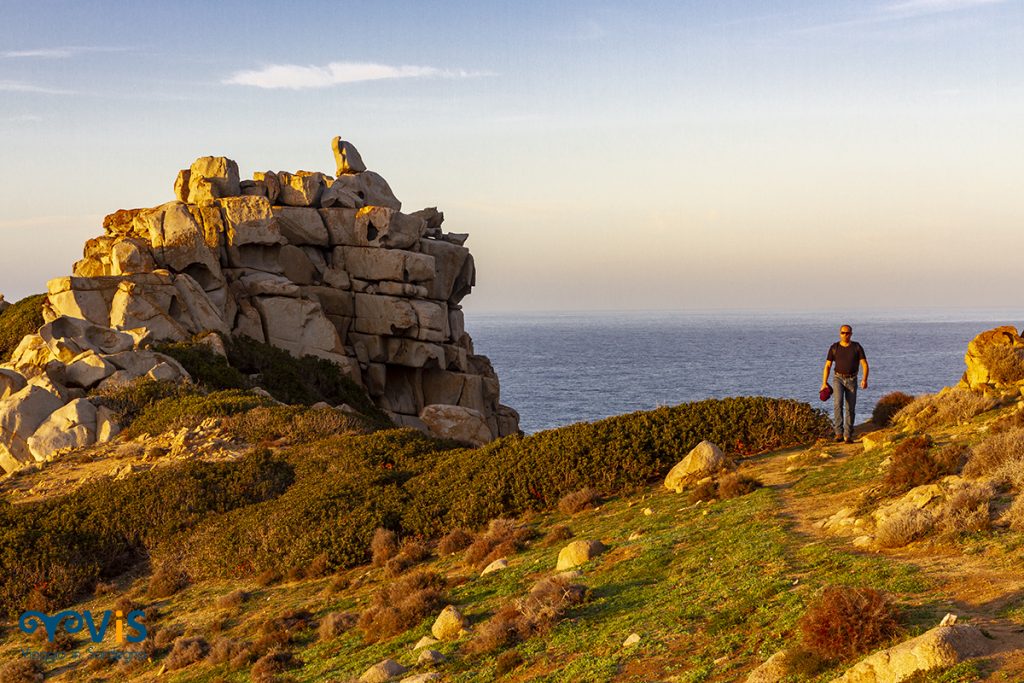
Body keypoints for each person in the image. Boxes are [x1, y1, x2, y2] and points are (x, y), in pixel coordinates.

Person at [821, 324, 868, 443]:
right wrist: (824, 383)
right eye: (843, 333)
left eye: (847, 333)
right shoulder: (834, 347)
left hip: (852, 379)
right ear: (839, 333)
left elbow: (864, 364)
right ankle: (838, 433)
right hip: (838, 378)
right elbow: (827, 366)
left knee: (850, 407)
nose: (845, 335)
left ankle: (848, 435)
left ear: (851, 334)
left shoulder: (857, 347)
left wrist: (864, 379)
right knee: (838, 404)